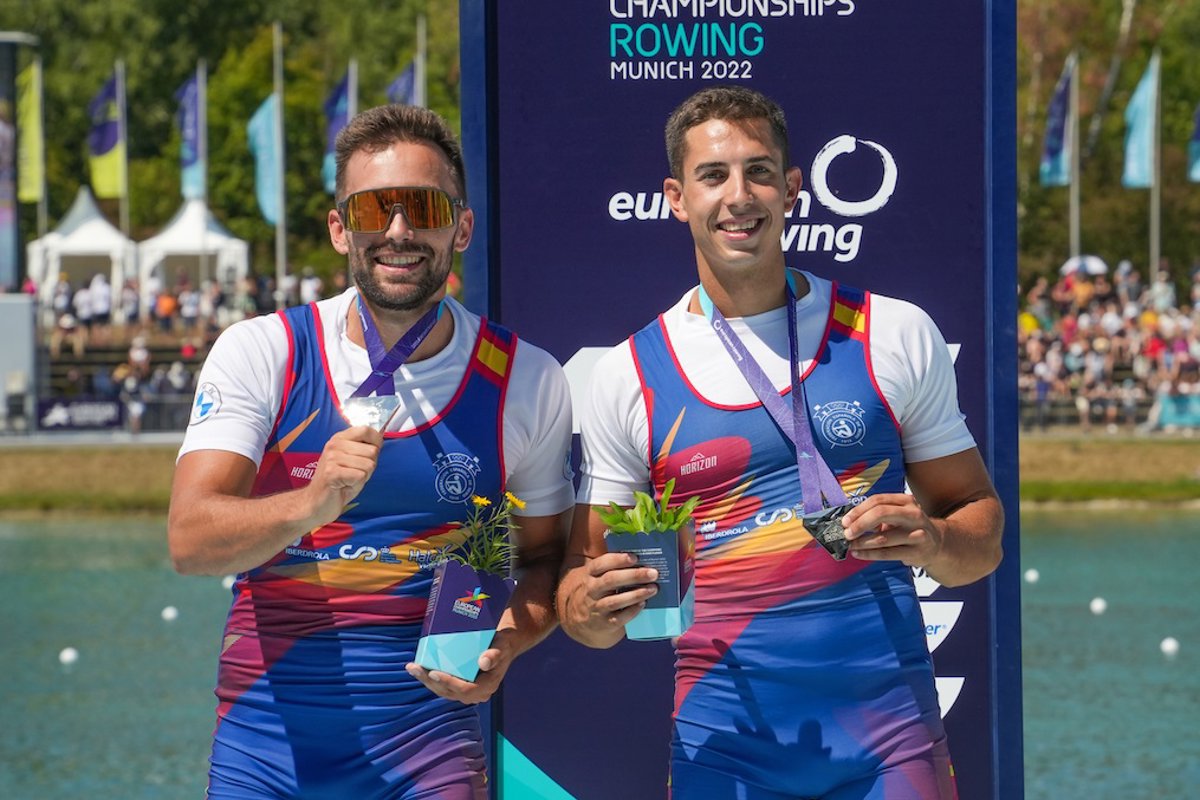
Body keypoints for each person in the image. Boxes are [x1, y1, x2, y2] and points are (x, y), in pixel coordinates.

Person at [556, 86, 1004, 799]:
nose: (740, 196)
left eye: (759, 172)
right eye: (713, 176)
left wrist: (934, 542)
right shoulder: (626, 375)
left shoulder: (890, 331)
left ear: (793, 188)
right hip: (725, 756)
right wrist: (593, 608)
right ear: (677, 197)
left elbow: (982, 537)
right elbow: (583, 600)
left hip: (891, 747)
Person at [168, 104, 575, 799]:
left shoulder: (526, 379)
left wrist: (506, 641)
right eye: (371, 210)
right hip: (267, 751)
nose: (397, 231)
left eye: (421, 206)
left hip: (429, 753)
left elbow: (543, 563)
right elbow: (190, 540)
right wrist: (309, 503)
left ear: (462, 226)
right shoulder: (266, 351)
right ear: (339, 229)